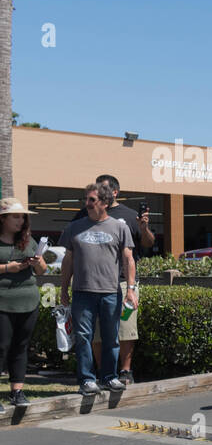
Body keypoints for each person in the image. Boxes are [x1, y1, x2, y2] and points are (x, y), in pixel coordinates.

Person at [69, 174, 154, 383]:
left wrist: (143, 228)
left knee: (124, 331)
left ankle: (124, 371)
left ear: (113, 193)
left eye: (101, 190)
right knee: (95, 334)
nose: (89, 202)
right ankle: (100, 374)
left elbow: (146, 245)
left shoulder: (128, 217)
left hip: (122, 282)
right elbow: (71, 251)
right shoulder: (82, 216)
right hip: (89, 285)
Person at [59, 181, 136, 396]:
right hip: (82, 293)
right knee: (84, 337)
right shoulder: (74, 227)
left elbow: (128, 259)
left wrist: (130, 289)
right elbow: (68, 261)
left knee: (111, 338)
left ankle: (109, 378)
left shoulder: (120, 227)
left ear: (104, 202)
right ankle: (86, 380)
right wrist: (64, 289)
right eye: (86, 200)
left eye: (91, 200)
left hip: (111, 292)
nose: (87, 204)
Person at [0, 198, 48, 408]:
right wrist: (7, 268)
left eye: (23, 217)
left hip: (28, 301)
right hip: (2, 302)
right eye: (15, 216)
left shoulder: (29, 241)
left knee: (21, 346)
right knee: (1, 347)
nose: (20, 221)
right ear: (3, 219)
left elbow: (42, 271)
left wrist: (37, 263)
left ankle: (17, 392)